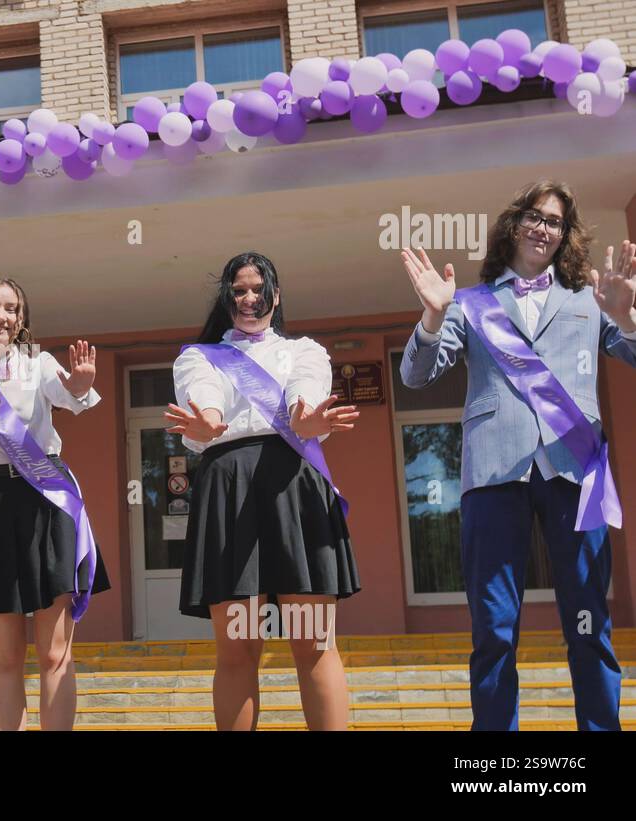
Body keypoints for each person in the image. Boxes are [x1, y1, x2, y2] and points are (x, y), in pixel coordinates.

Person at [399, 180, 636, 731]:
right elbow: (414, 375)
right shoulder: (471, 304)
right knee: (494, 632)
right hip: (493, 475)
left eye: (555, 221)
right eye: (534, 216)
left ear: (564, 236)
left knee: (588, 624)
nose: (543, 228)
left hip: (574, 472)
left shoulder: (587, 297)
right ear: (513, 225)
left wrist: (625, 318)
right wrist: (434, 318)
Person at [167, 251, 360, 730]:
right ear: (227, 299)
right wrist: (208, 421)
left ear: (276, 295)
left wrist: (306, 417)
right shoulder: (198, 356)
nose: (249, 298)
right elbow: (204, 398)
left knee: (312, 640)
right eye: (238, 291)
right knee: (238, 647)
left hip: (295, 486)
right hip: (228, 492)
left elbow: (304, 391)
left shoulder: (306, 350)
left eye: (258, 289)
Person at [0, 277, 110, 731]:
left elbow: (70, 397)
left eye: (11, 309)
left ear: (21, 321)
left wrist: (79, 384)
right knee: (4, 654)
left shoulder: (40, 365)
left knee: (54, 651)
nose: (1, 316)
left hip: (47, 500)